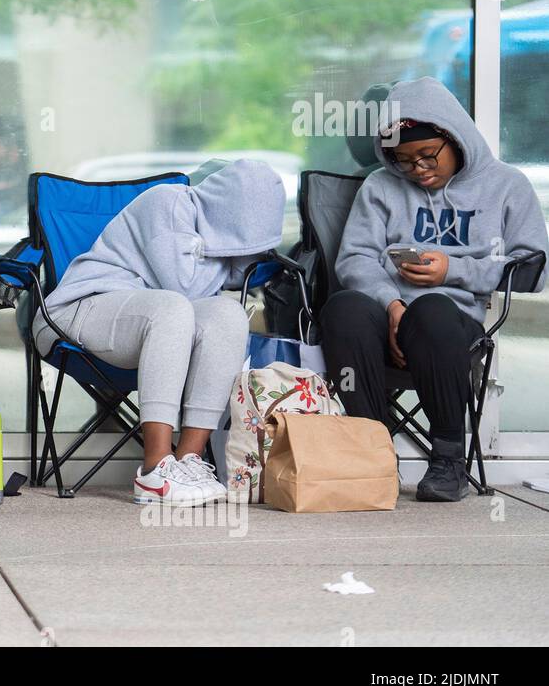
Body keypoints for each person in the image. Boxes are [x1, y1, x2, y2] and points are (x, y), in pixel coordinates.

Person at [322, 77, 549, 502]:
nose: (418, 170)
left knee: (432, 309)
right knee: (343, 308)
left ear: (454, 137)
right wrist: (390, 305)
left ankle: (448, 460)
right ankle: (374, 456)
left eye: (427, 155)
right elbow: (354, 259)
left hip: (449, 328)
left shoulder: (505, 185)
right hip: (385, 319)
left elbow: (533, 271)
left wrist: (453, 270)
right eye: (403, 161)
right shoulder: (381, 187)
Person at [33, 160, 287, 506]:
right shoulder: (168, 203)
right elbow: (183, 285)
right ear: (232, 214)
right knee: (172, 307)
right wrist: (225, 253)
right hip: (82, 308)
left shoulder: (212, 236)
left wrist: (239, 250)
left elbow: (224, 281)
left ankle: (188, 462)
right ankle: (155, 467)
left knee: (228, 315)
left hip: (152, 326)